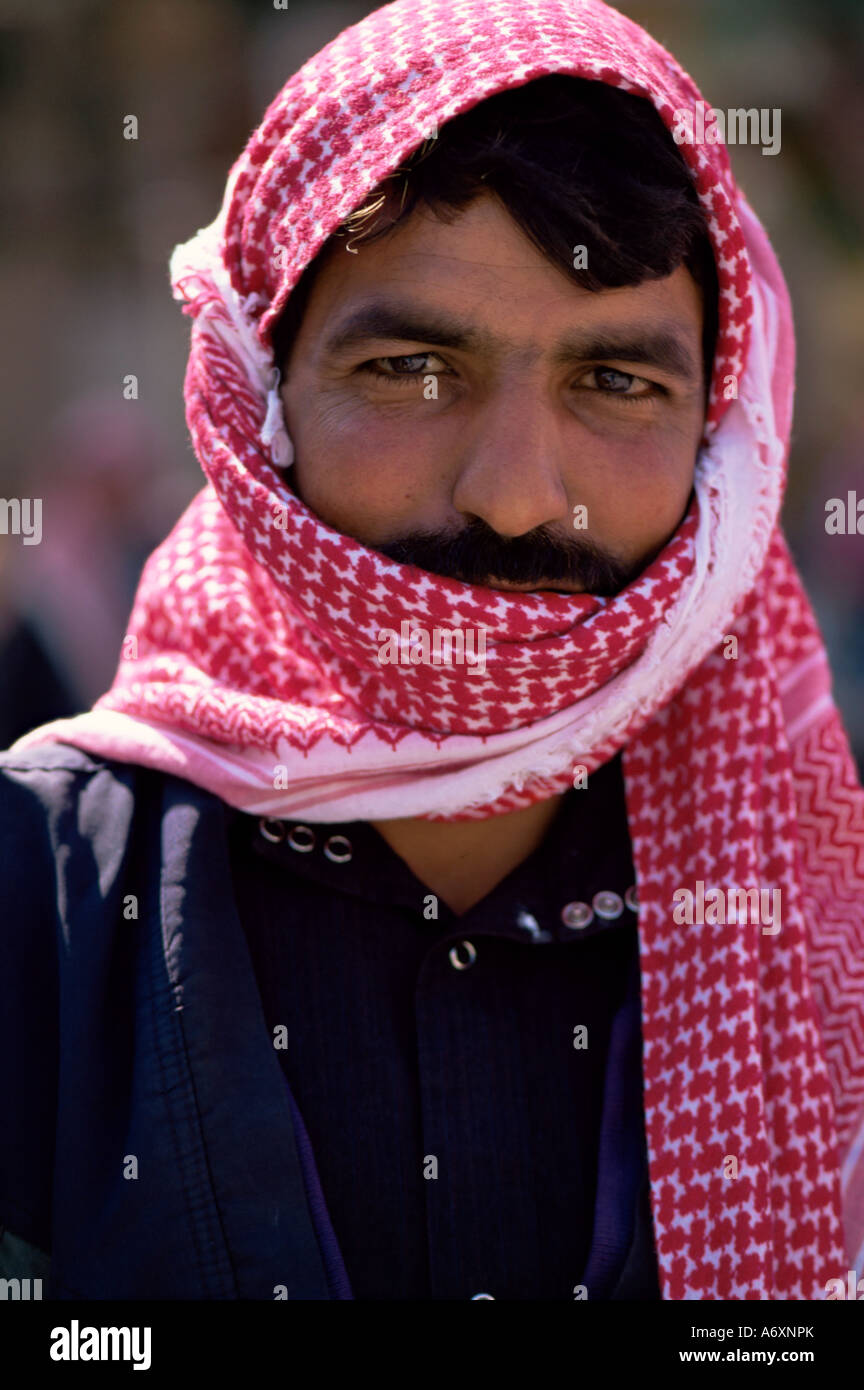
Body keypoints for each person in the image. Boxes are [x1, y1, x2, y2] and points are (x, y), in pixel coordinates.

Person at [2, 0, 863, 1302]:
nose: (517, 495)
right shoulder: (36, 893)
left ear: (721, 435)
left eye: (617, 381)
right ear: (261, 396)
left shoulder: (816, 895)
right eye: (411, 368)